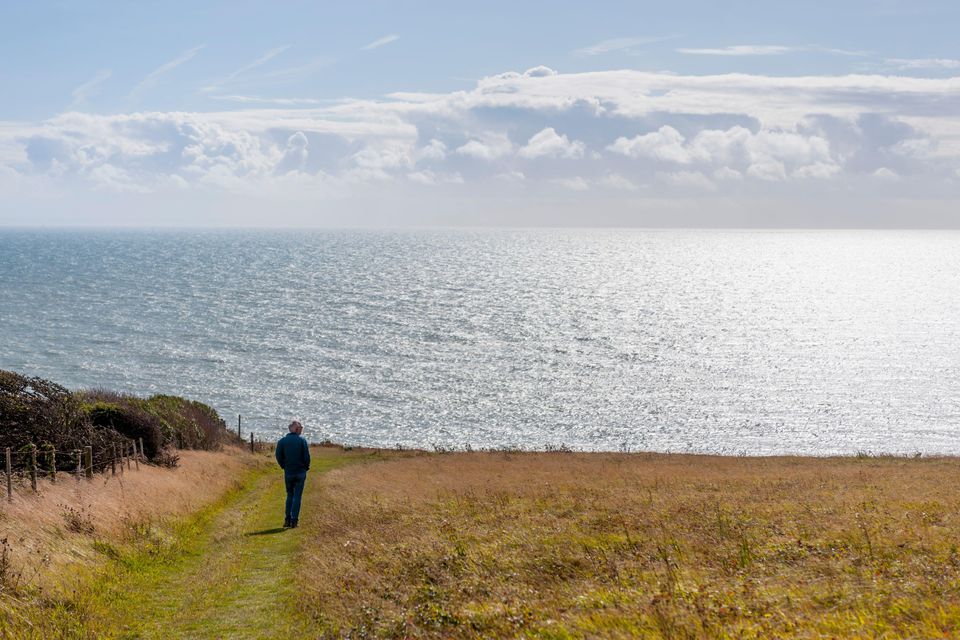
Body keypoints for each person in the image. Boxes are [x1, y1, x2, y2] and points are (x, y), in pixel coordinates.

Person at [275, 420, 311, 528]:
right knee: (297, 496)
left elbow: (278, 455)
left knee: (290, 495)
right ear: (295, 429)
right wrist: (306, 467)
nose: (301, 430)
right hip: (300, 472)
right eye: (300, 428)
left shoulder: (282, 441)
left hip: (289, 472)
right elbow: (307, 457)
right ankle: (294, 521)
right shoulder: (302, 441)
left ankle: (287, 519)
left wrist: (284, 466)